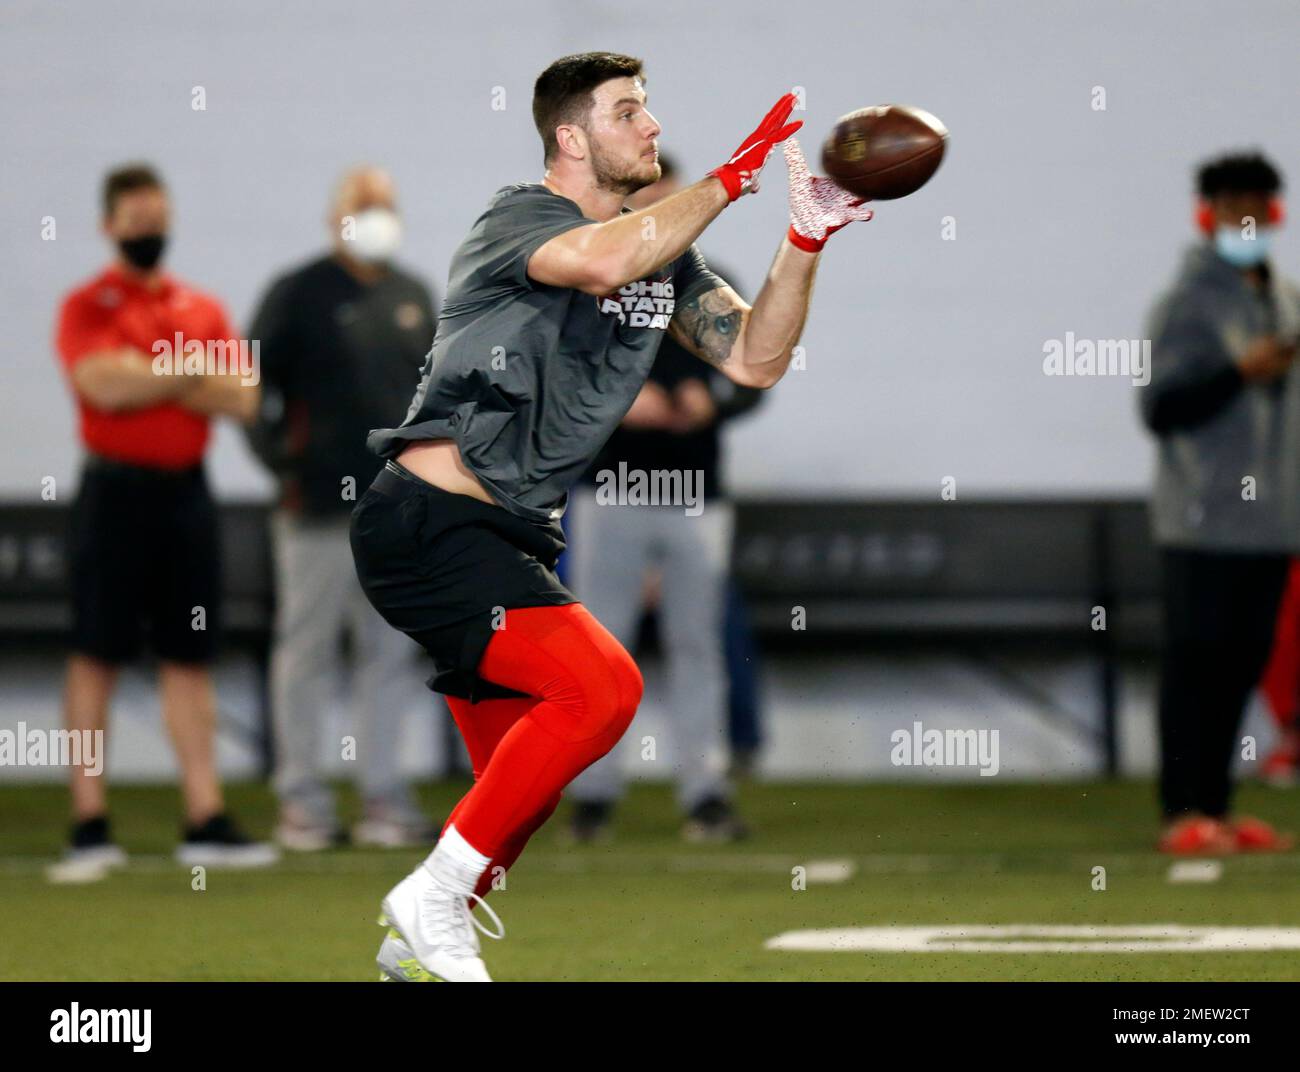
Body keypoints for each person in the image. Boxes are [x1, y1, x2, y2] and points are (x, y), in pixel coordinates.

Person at [350, 51, 872, 982]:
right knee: (603, 691)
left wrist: (803, 239)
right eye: (628, 112)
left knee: (519, 791)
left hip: (501, 535)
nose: (651, 127)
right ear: (570, 137)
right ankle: (430, 898)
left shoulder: (661, 261)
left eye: (648, 110)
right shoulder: (522, 217)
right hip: (429, 523)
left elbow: (754, 357)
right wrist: (737, 173)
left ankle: (416, 943)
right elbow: (602, 259)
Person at [52, 163, 277, 880]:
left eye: (158, 219)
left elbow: (243, 397)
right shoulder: (88, 304)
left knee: (189, 654)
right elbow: (101, 386)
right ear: (110, 226)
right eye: (136, 221)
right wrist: (186, 372)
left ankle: (203, 816)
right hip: (112, 499)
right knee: (97, 653)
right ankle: (89, 824)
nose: (150, 231)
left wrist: (151, 369)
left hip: (186, 499)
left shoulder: (200, 304)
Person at [565, 153, 764, 843]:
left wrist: (708, 399)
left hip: (694, 493)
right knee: (601, 648)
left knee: (698, 644)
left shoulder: (707, 280)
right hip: (610, 489)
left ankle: (704, 792)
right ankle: (592, 794)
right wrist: (623, 404)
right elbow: (559, 377)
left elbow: (754, 365)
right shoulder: (594, 279)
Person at [247, 167, 440, 851]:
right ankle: (302, 801)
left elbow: (436, 400)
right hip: (316, 510)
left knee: (389, 657)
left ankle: (382, 797)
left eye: (386, 205)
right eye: (364, 207)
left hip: (397, 515)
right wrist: (281, 463)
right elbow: (250, 384)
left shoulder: (414, 295)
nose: (377, 216)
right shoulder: (298, 293)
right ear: (336, 218)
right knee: (307, 653)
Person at [1141, 151, 1300, 854]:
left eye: (1258, 206)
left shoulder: (1285, 297)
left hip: (1273, 517)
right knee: (1194, 664)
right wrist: (1238, 373)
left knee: (1241, 665)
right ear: (1206, 213)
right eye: (1232, 204)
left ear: (1276, 213)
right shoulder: (1187, 301)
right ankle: (1182, 812)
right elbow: (1161, 406)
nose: (1247, 219)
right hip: (1202, 520)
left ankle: (1219, 806)